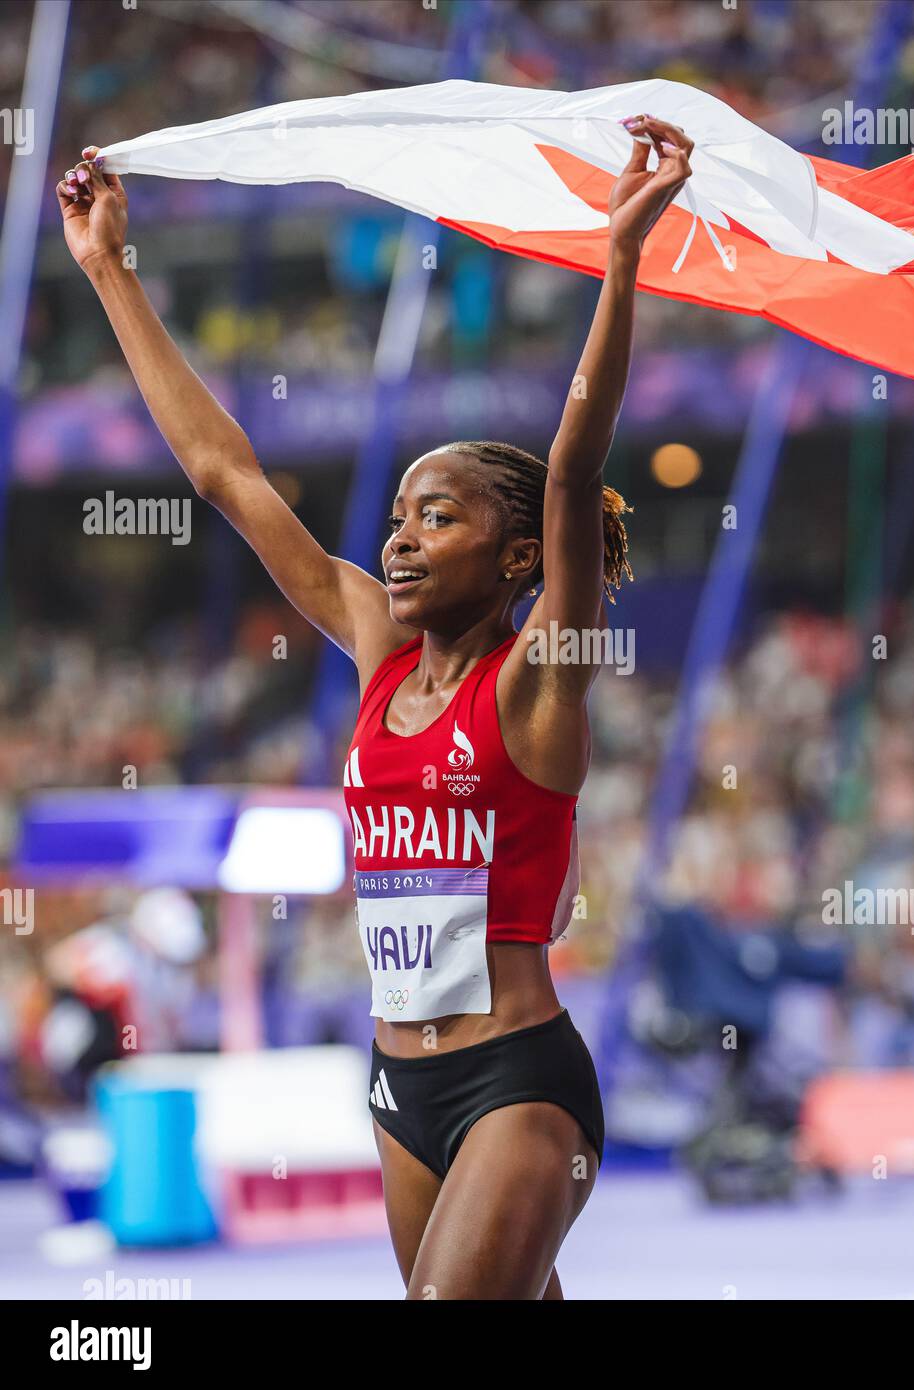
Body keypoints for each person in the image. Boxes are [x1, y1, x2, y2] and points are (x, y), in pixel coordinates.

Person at [58, 113, 693, 1299]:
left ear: (517, 561)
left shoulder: (540, 677)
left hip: (518, 1078)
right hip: (400, 1086)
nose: (400, 540)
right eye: (399, 515)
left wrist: (617, 262)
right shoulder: (375, 650)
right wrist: (108, 268)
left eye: (438, 517)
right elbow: (227, 475)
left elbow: (568, 466)